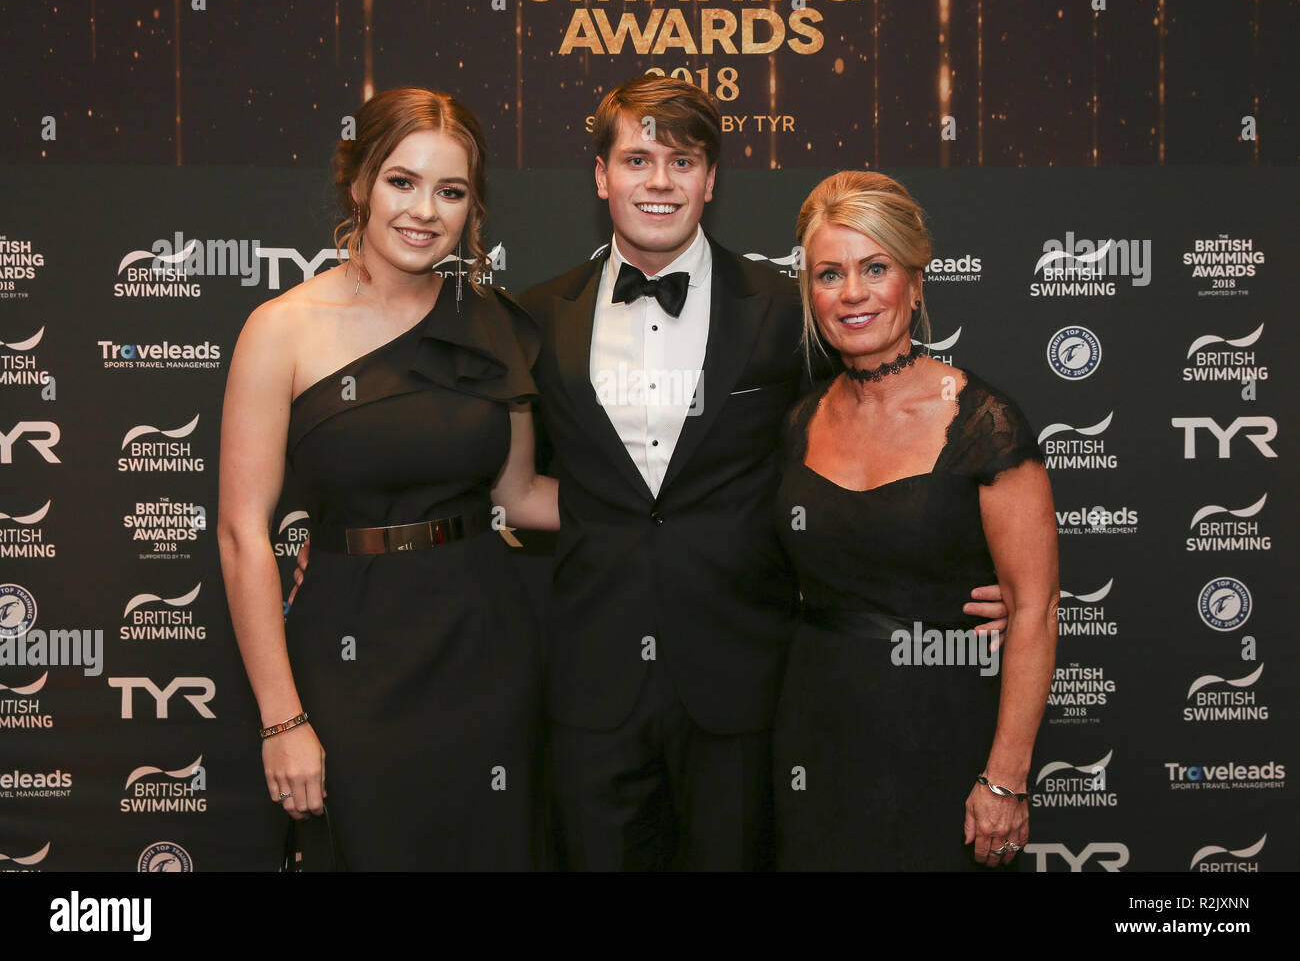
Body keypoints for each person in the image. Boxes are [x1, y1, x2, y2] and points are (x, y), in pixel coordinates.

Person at [517, 76, 1012, 871]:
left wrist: (970, 577)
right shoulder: (536, 316)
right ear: (601, 175)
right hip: (591, 687)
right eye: (637, 159)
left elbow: (883, 446)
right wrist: (361, 530)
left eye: (682, 162)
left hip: (746, 686)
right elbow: (484, 465)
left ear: (710, 181)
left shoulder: (792, 311)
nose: (659, 182)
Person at [217, 87, 558, 871]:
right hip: (349, 654)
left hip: (485, 649)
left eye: (451, 190)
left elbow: (520, 496)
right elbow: (243, 534)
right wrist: (281, 719)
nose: (425, 210)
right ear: (359, 183)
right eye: (403, 181)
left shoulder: (493, 323)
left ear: (473, 206)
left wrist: (666, 512)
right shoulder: (282, 330)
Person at [771, 170, 1059, 871]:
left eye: (876, 268)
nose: (853, 294)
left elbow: (1035, 609)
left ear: (916, 281)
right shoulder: (801, 421)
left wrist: (1005, 780)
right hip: (816, 726)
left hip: (940, 726)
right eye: (829, 273)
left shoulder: (982, 422)